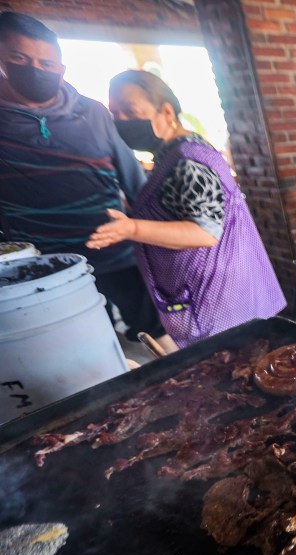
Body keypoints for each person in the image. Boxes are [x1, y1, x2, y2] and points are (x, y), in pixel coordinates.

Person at [0, 11, 174, 353]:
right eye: (20, 59)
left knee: (153, 328)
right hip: (49, 265)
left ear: (61, 67)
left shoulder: (93, 112)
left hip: (118, 251)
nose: (36, 69)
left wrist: (153, 236)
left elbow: (134, 181)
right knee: (90, 343)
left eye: (48, 63)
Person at [86, 70, 286, 349]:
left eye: (130, 112)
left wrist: (132, 228)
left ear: (166, 112)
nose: (121, 122)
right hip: (209, 285)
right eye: (115, 113)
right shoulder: (176, 151)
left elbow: (204, 231)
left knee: (230, 358)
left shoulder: (188, 162)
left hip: (215, 293)